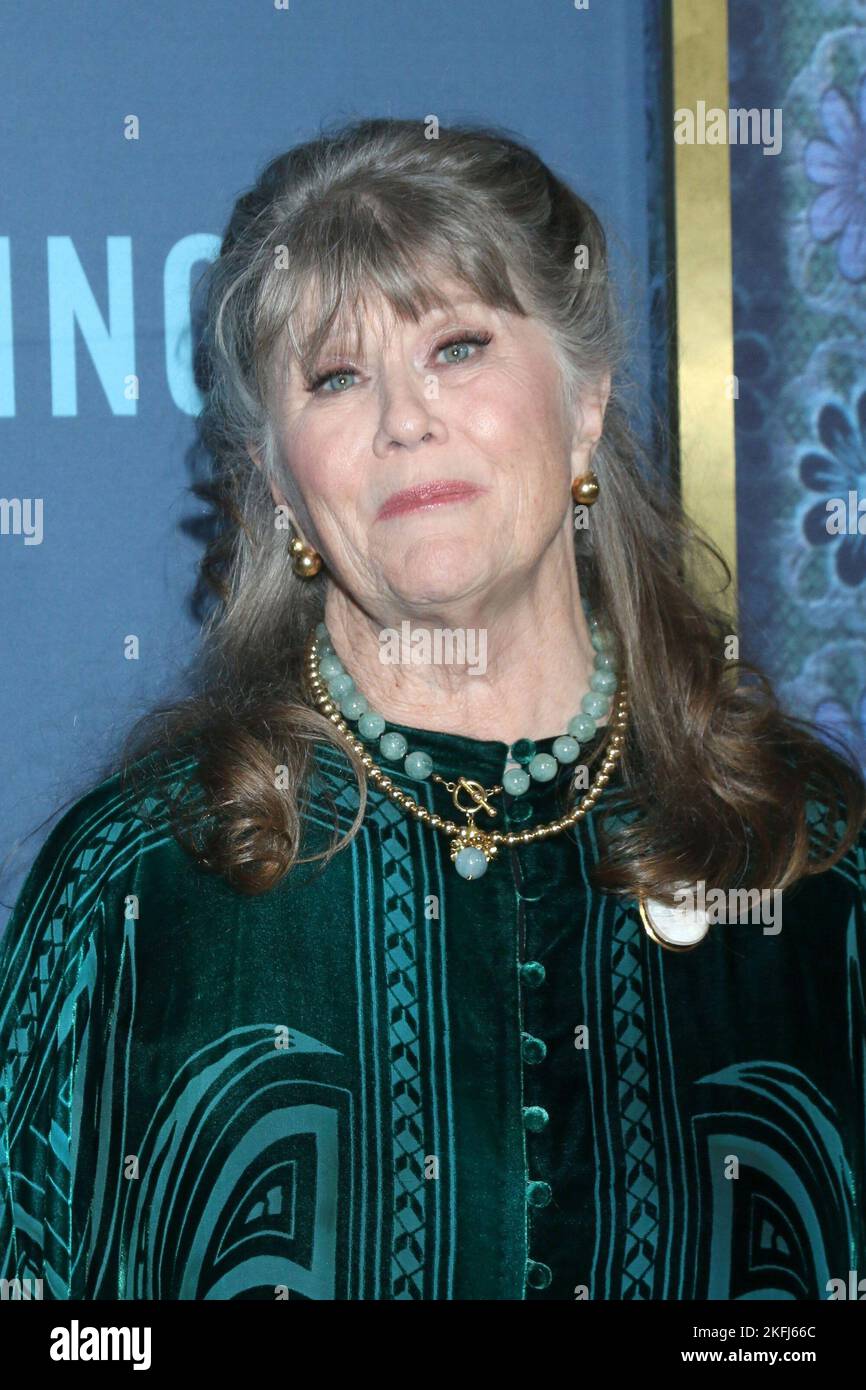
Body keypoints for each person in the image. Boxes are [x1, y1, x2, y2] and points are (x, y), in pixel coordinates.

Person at [1, 117, 865, 1302]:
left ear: (587, 397)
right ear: (276, 483)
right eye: (338, 376)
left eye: (456, 347)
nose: (404, 418)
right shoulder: (143, 886)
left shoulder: (809, 859)